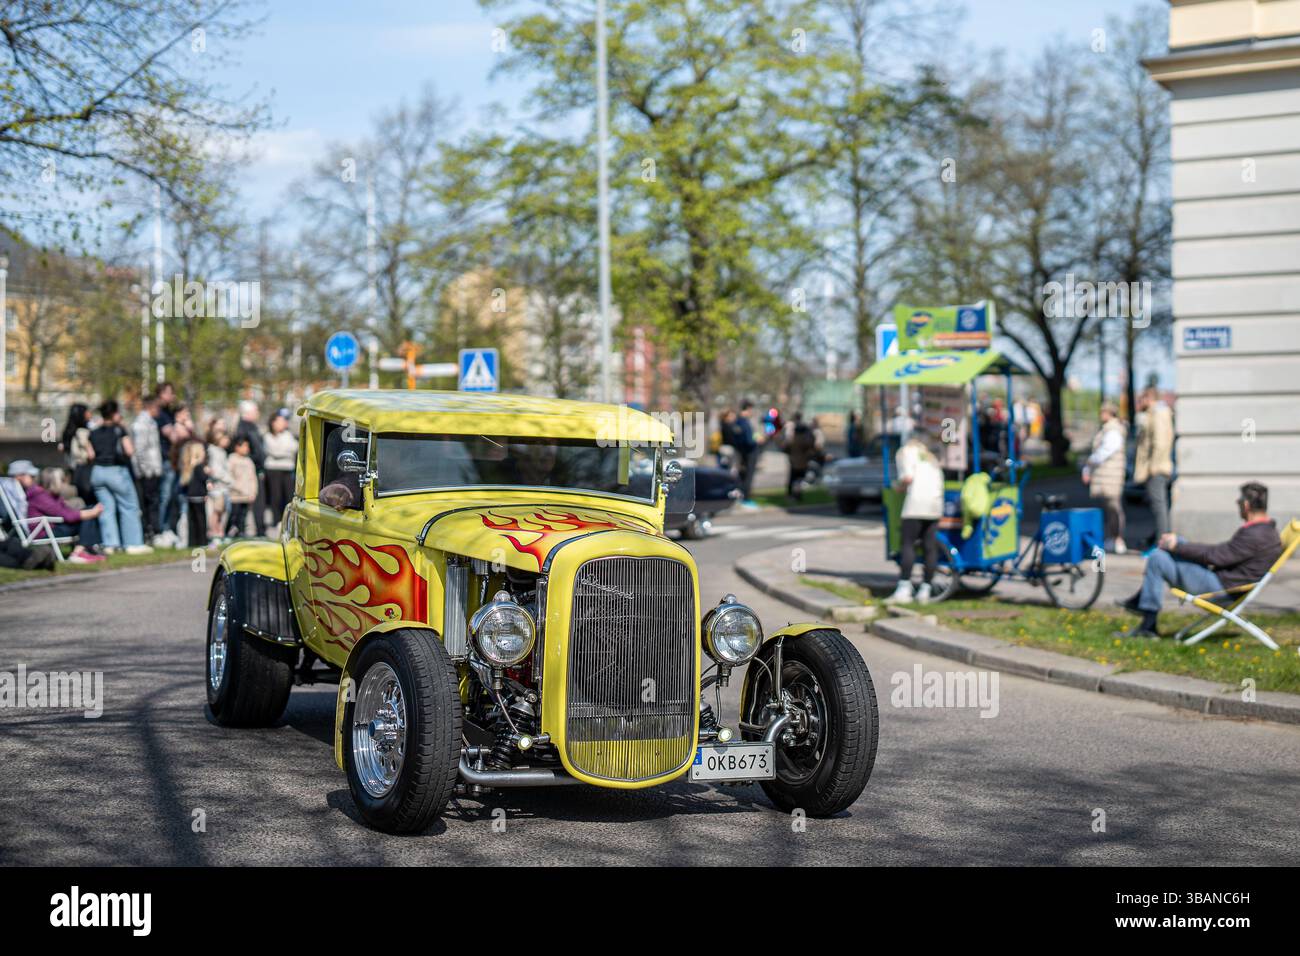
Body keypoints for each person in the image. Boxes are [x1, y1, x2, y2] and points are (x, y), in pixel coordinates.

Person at [1116, 482, 1282, 638]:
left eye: (1239, 501)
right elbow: (1222, 554)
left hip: (1220, 590)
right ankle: (1142, 607)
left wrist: (1176, 547)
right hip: (1226, 584)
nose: (1238, 505)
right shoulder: (1267, 531)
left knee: (1158, 557)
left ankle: (1147, 623)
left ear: (1246, 505)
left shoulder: (1255, 534)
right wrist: (1177, 545)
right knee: (1174, 544)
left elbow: (1217, 557)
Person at [885, 426, 946, 604]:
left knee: (908, 545)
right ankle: (925, 590)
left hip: (915, 503)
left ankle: (904, 588)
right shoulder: (930, 456)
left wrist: (897, 487)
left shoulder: (905, 452)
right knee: (929, 546)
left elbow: (907, 478)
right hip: (934, 505)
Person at [7, 460, 106, 563]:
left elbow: (64, 511)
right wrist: (92, 512)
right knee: (88, 514)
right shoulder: (39, 496)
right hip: (44, 531)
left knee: (88, 511)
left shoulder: (45, 494)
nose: (34, 478)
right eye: (31, 476)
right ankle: (79, 552)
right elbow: (66, 515)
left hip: (52, 526)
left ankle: (86, 549)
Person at [89, 400, 151, 554]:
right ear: (114, 414)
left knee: (106, 509)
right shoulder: (119, 430)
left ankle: (110, 544)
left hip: (97, 471)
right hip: (116, 471)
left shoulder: (94, 432)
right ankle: (133, 544)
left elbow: (90, 455)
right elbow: (129, 451)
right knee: (129, 506)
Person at [1081, 403, 1127, 554]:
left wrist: (1089, 462)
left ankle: (1118, 539)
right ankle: (1113, 538)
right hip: (1107, 475)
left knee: (1114, 507)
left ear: (1109, 413)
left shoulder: (1113, 430)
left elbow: (1104, 451)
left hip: (1111, 475)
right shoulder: (1109, 428)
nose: (1101, 414)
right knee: (1109, 508)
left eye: (1103, 412)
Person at [1134, 385, 1175, 544]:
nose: (1139, 402)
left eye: (1141, 398)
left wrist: (1153, 468)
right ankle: (1158, 539)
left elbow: (1160, 442)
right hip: (1157, 467)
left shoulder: (1157, 414)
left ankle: (1161, 542)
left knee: (1159, 507)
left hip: (1157, 468)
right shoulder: (1156, 413)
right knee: (1159, 507)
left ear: (1148, 398)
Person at [131, 393, 164, 544]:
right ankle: (149, 533)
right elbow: (140, 449)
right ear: (151, 406)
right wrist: (146, 470)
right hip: (147, 472)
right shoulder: (142, 423)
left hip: (153, 470)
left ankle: (154, 531)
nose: (160, 410)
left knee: (154, 502)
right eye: (157, 407)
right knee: (147, 503)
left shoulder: (151, 422)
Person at [153, 381, 183, 541]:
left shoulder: (168, 413)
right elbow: (174, 436)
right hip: (164, 460)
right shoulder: (160, 414)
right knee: (164, 495)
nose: (173, 396)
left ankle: (167, 528)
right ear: (161, 394)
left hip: (171, 460)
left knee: (172, 495)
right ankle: (160, 529)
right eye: (170, 393)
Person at [262, 408, 298, 534]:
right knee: (275, 496)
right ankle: (276, 520)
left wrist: (283, 451)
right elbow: (274, 451)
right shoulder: (267, 436)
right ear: (273, 423)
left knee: (289, 495)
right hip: (273, 469)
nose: (284, 423)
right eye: (281, 421)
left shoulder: (288, 435)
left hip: (287, 469)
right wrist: (285, 451)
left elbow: (294, 448)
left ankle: (288, 520)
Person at [235, 400, 268, 536]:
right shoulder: (243, 428)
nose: (258, 413)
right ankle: (241, 530)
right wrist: (252, 460)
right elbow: (242, 449)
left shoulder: (251, 427)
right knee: (247, 500)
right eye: (255, 411)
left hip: (255, 467)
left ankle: (259, 529)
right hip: (248, 468)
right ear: (247, 413)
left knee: (258, 500)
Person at [60, 403, 97, 506]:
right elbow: (91, 455)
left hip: (75, 473)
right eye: (87, 411)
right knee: (91, 504)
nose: (90, 413)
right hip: (86, 472)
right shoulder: (82, 432)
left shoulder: (68, 432)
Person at [225, 435, 259, 538]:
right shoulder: (231, 459)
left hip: (246, 496)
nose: (246, 449)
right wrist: (238, 488)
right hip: (235, 496)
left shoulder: (249, 461)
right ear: (236, 447)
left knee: (243, 516)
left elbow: (253, 478)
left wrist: (253, 492)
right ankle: (228, 533)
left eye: (247, 446)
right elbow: (229, 477)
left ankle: (240, 533)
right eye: (244, 446)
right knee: (233, 516)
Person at [205, 417, 233, 543]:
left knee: (223, 511)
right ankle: (214, 533)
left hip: (223, 487)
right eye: (224, 438)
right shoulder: (213, 451)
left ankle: (220, 533)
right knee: (216, 511)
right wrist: (228, 479)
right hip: (217, 487)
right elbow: (215, 470)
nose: (227, 440)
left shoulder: (221, 451)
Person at [178, 439, 210, 549]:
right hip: (199, 497)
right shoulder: (200, 466)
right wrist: (207, 473)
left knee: (192, 520)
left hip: (190, 497)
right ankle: (203, 541)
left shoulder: (188, 466)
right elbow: (203, 479)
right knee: (201, 519)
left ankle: (192, 542)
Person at [782, 412, 820, 501]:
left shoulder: (793, 440)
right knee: (799, 480)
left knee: (792, 479)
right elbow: (811, 448)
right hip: (802, 462)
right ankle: (797, 495)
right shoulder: (805, 440)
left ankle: (791, 494)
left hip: (794, 461)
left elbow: (785, 448)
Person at [732, 400, 760, 504]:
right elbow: (749, 440)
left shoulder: (737, 421)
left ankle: (740, 495)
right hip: (750, 452)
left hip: (741, 452)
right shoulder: (745, 422)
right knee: (748, 475)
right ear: (748, 409)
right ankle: (745, 498)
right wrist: (757, 441)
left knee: (742, 475)